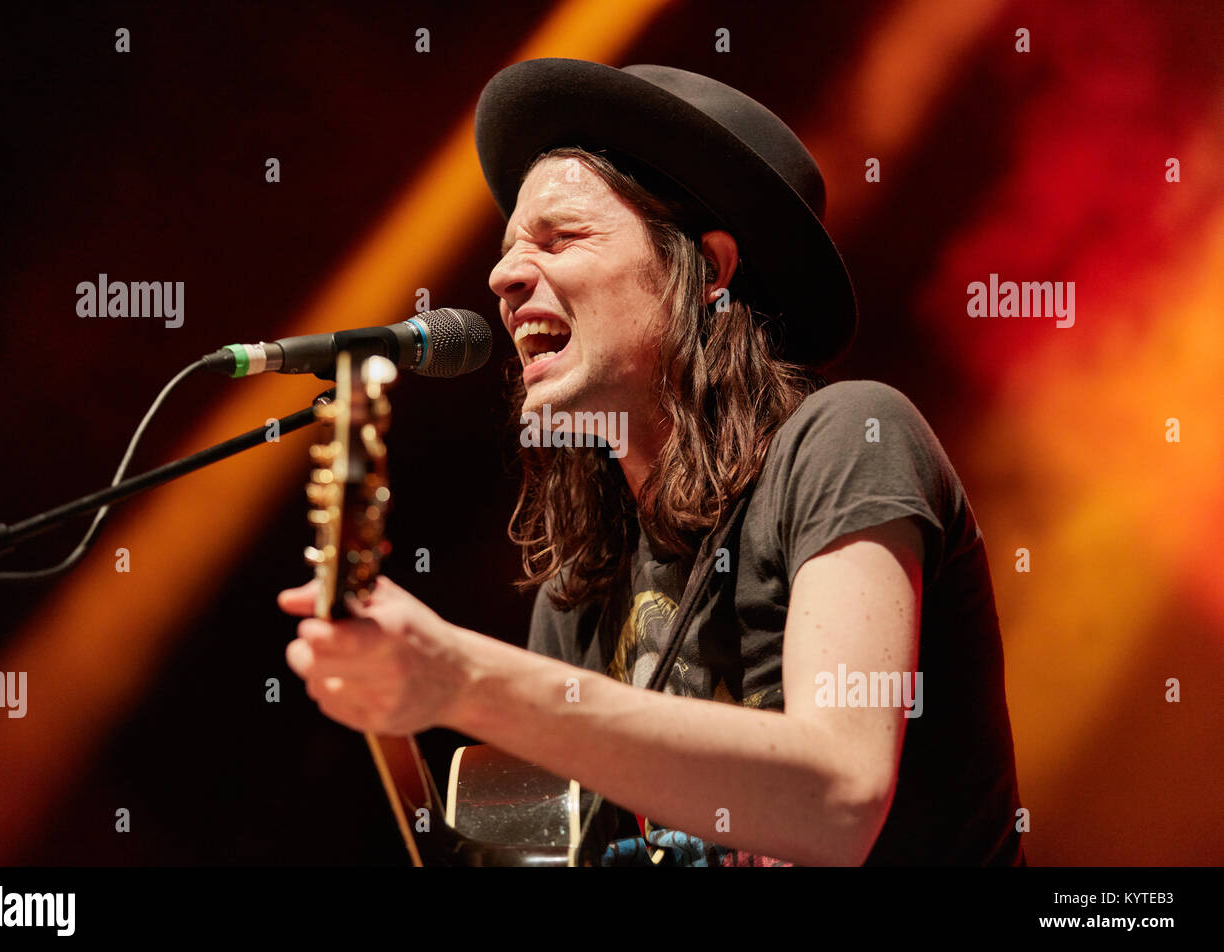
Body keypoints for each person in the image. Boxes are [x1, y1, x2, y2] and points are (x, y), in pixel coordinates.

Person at [278, 58, 1024, 866]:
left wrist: (460, 678)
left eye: (559, 237)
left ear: (709, 270)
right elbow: (517, 852)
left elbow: (838, 798)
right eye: (506, 250)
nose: (501, 276)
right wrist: (395, 713)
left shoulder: (851, 437)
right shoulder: (579, 590)